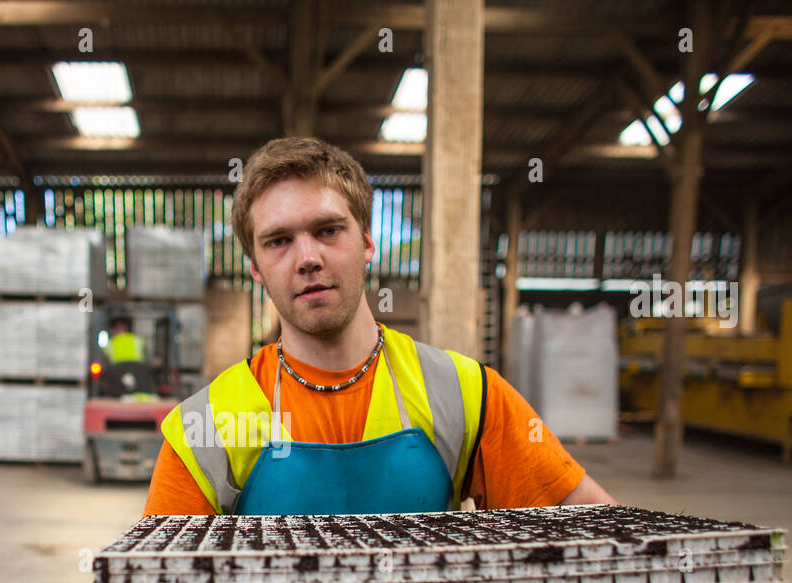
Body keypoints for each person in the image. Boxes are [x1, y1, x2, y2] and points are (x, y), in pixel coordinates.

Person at [141, 136, 618, 517]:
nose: (308, 258)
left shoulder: (464, 394)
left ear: (367, 242)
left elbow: (596, 530)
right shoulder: (206, 427)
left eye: (328, 230)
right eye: (279, 241)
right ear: (256, 269)